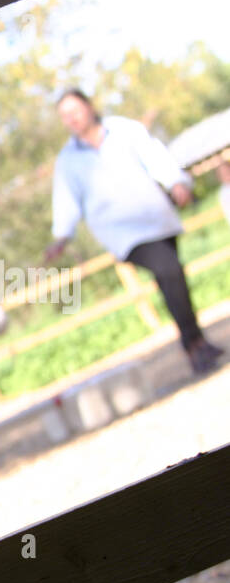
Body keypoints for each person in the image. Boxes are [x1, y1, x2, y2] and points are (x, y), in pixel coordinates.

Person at [46, 89, 225, 374]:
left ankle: (198, 343)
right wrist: (62, 236)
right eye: (66, 117)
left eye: (75, 111)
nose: (73, 119)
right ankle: (194, 346)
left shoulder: (123, 129)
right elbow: (66, 201)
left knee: (173, 278)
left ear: (89, 106)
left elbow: (156, 157)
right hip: (123, 234)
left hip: (157, 219)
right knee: (169, 271)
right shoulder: (68, 160)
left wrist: (177, 183)